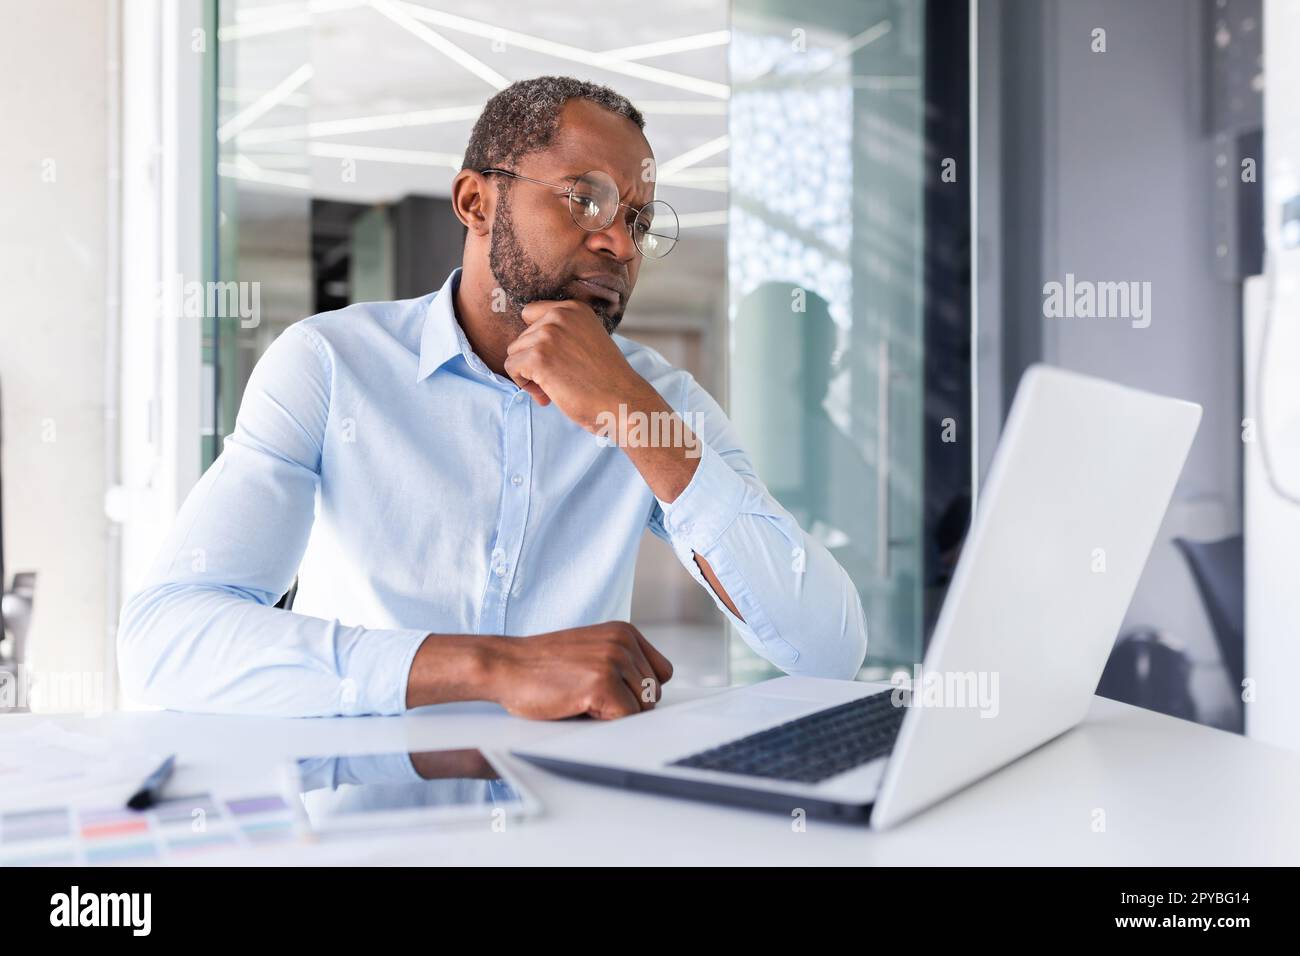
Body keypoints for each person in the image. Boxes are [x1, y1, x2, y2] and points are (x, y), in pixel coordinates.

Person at [118, 75, 868, 720]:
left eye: (637, 221)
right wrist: (490, 666)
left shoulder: (660, 400)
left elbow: (827, 649)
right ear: (477, 202)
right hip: (368, 832)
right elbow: (168, 637)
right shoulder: (330, 365)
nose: (623, 246)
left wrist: (638, 422)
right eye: (587, 200)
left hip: (582, 828)